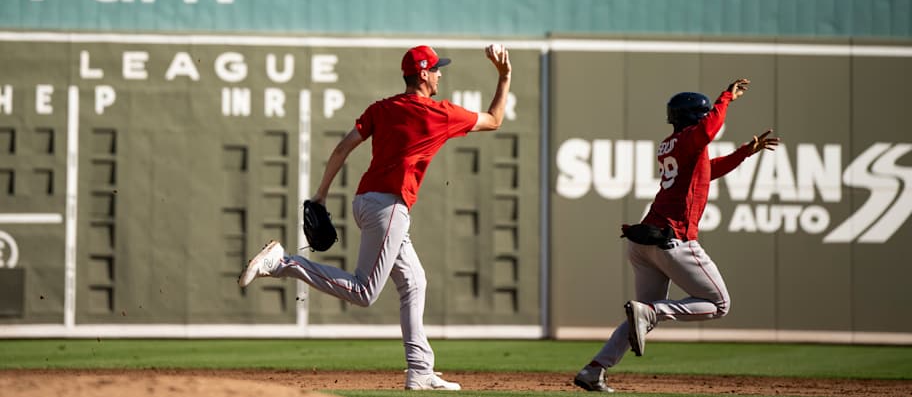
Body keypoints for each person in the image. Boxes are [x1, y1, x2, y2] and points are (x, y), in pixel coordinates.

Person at [239, 44, 512, 391]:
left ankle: (420, 370)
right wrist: (504, 76)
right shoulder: (439, 113)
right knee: (364, 291)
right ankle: (282, 263)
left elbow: (342, 147)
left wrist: (320, 194)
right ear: (424, 74)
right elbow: (494, 119)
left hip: (365, 201)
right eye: (437, 69)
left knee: (414, 281)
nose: (441, 73)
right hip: (390, 208)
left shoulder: (382, 108)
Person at [573, 78, 780, 393]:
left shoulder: (673, 144)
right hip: (674, 240)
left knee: (639, 318)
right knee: (718, 303)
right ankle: (656, 310)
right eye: (705, 113)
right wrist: (726, 98)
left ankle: (594, 369)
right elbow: (712, 127)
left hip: (644, 243)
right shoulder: (691, 139)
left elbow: (709, 170)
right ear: (696, 118)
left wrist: (744, 152)